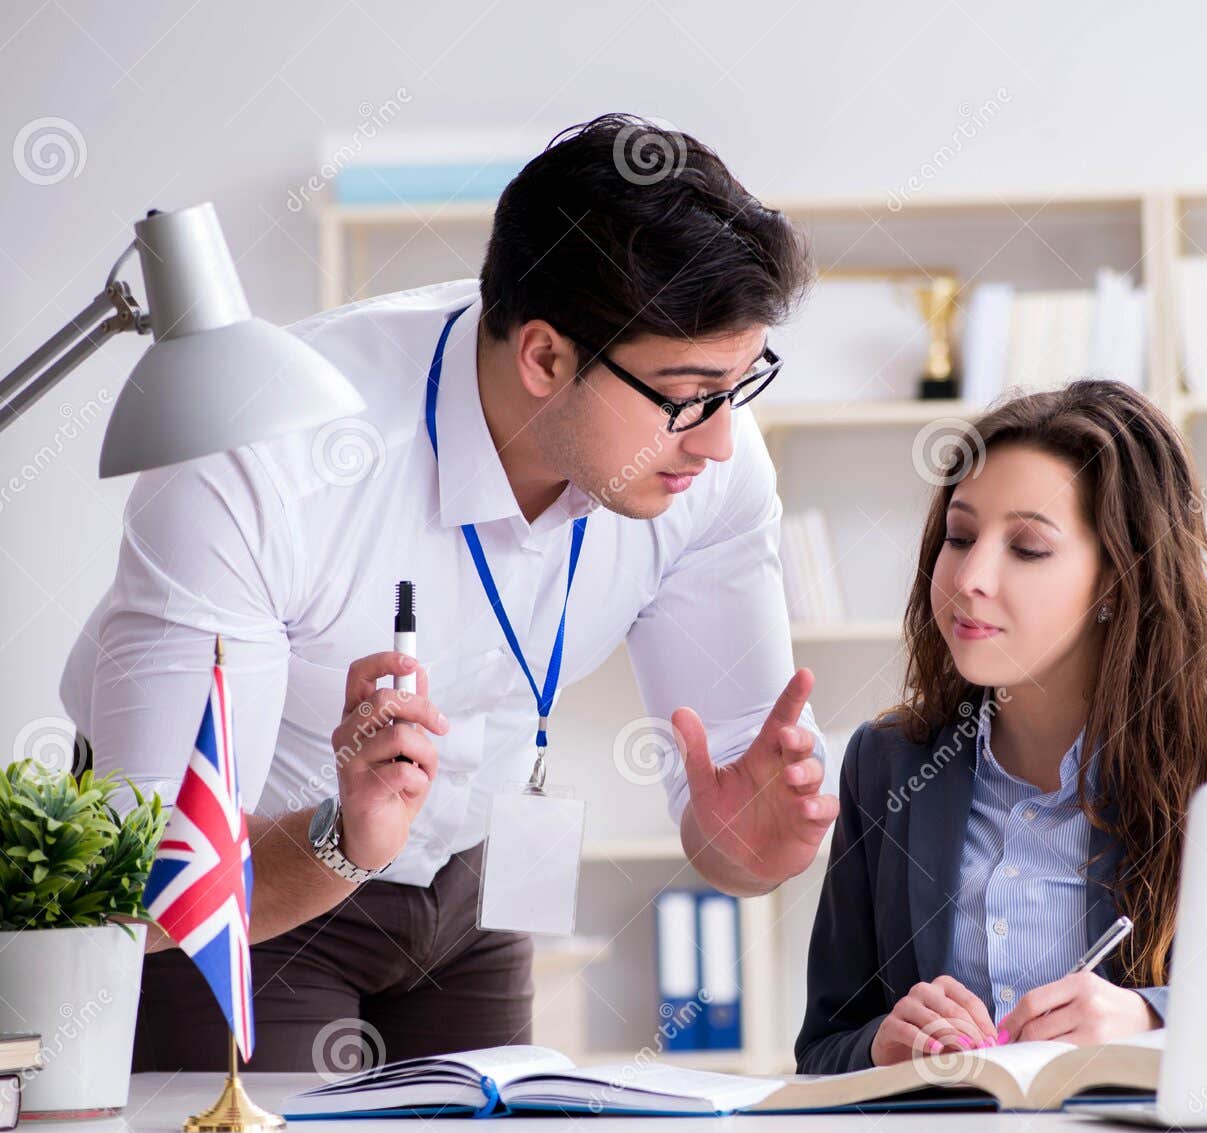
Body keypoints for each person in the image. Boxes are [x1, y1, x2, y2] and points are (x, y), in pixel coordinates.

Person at [60, 114, 838, 1070]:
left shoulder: (705, 455)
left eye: (740, 385)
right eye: (687, 395)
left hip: (470, 888)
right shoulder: (264, 459)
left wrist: (750, 848)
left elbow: (735, 831)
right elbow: (146, 879)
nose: (719, 441)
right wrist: (346, 842)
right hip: (248, 893)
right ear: (547, 358)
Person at [795, 379, 1207, 1076]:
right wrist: (881, 1043)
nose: (970, 576)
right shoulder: (886, 764)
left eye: (1028, 548)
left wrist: (1150, 1018)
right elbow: (824, 1049)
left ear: (1116, 581)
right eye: (959, 536)